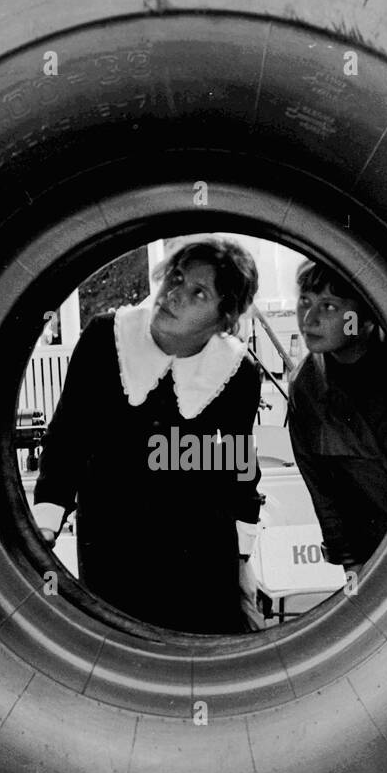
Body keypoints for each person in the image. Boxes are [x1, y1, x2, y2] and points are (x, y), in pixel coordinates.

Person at [31, 237, 263, 634]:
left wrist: (242, 556)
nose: (174, 294)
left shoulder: (238, 371)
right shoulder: (106, 337)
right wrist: (48, 519)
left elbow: (236, 463)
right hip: (113, 544)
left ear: (224, 317)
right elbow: (68, 434)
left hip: (201, 551)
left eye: (198, 292)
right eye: (175, 278)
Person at [286, 258, 387, 575]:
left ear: (365, 315)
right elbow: (322, 490)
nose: (309, 319)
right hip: (373, 553)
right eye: (305, 301)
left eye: (329, 306)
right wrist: (350, 563)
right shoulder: (306, 389)